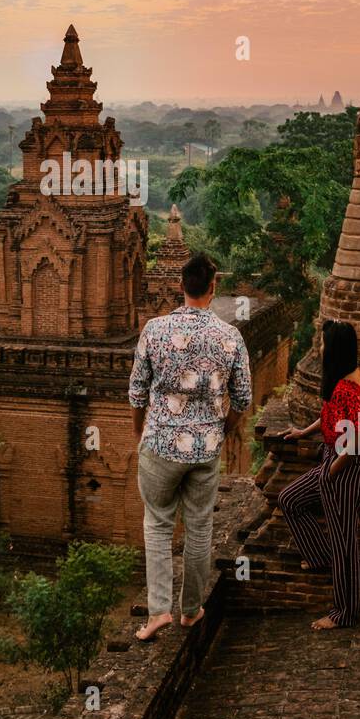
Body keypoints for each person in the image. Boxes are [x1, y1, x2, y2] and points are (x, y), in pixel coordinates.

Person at [128, 252, 252, 642]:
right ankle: (191, 610)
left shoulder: (154, 330)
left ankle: (158, 613)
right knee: (199, 528)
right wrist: (223, 429)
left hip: (159, 444)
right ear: (213, 289)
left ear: (181, 286)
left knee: (157, 525)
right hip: (205, 448)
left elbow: (136, 394)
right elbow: (243, 399)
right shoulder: (229, 337)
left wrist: (142, 433)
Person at [278, 319, 360, 631]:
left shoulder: (350, 386)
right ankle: (320, 557)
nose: (319, 348)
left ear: (335, 350)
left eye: (323, 343)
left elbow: (358, 439)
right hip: (333, 460)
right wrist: (303, 431)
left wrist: (331, 472)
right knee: (289, 499)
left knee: (345, 543)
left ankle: (345, 613)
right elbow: (329, 414)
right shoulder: (340, 380)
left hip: (346, 468)